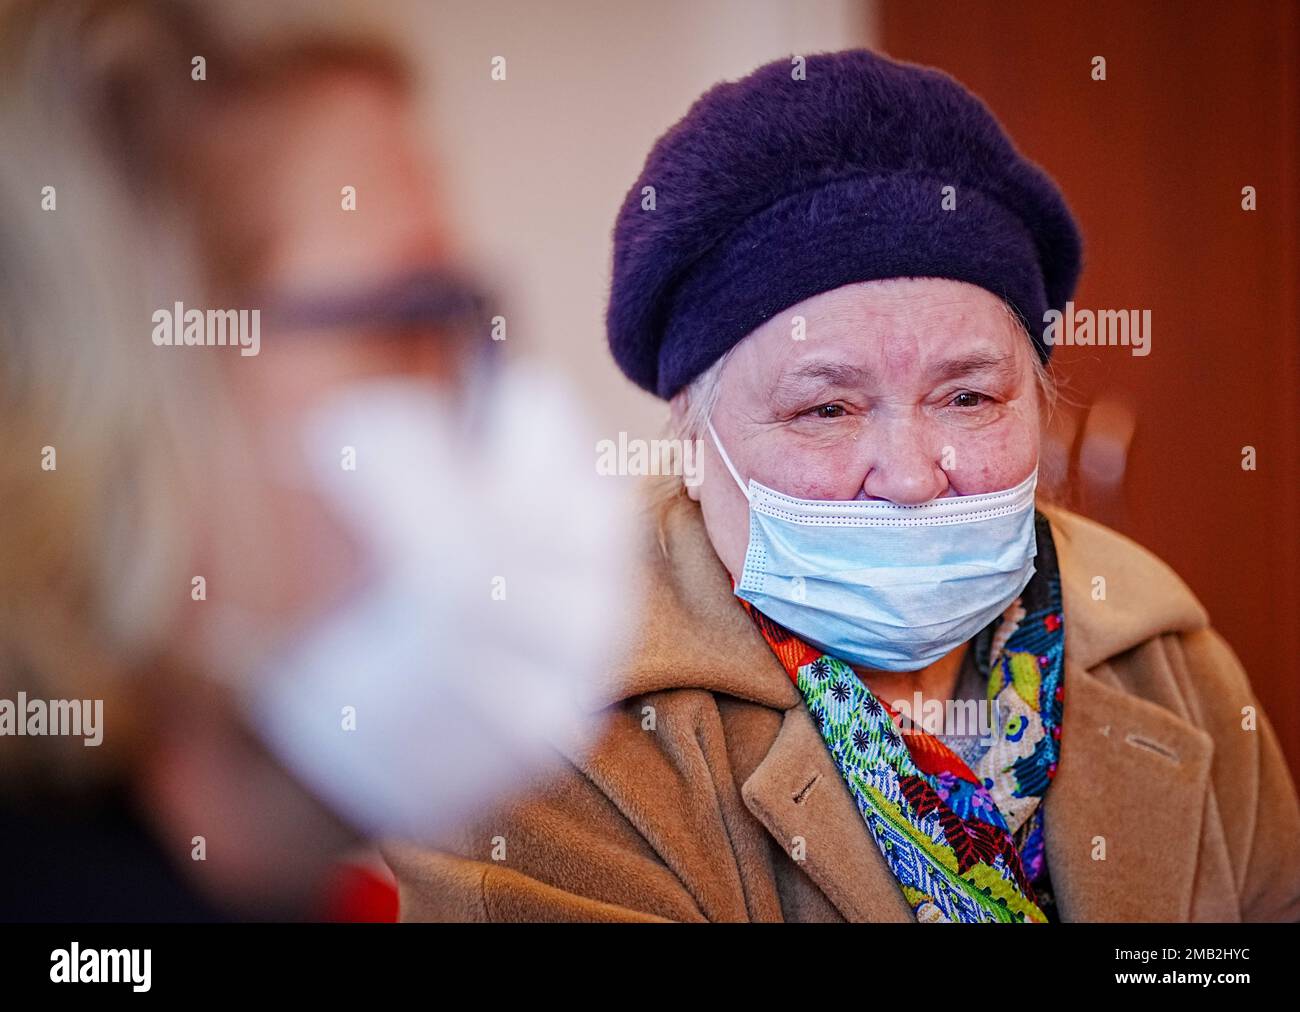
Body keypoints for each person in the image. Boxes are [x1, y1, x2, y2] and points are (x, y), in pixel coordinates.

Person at [382, 48, 1300, 922]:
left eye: (969, 396)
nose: (908, 478)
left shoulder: (1166, 658)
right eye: (826, 410)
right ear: (696, 450)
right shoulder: (538, 728)